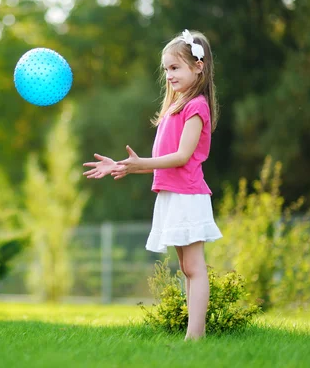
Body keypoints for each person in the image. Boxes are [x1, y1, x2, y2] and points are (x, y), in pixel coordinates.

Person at [83, 30, 222, 340]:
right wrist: (121, 166)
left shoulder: (196, 106)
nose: (169, 75)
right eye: (166, 69)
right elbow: (162, 162)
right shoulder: (176, 106)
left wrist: (139, 164)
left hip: (188, 195)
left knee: (195, 267)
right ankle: (192, 334)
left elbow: (182, 156)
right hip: (175, 195)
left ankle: (195, 337)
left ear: (198, 66)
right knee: (187, 268)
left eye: (175, 68)